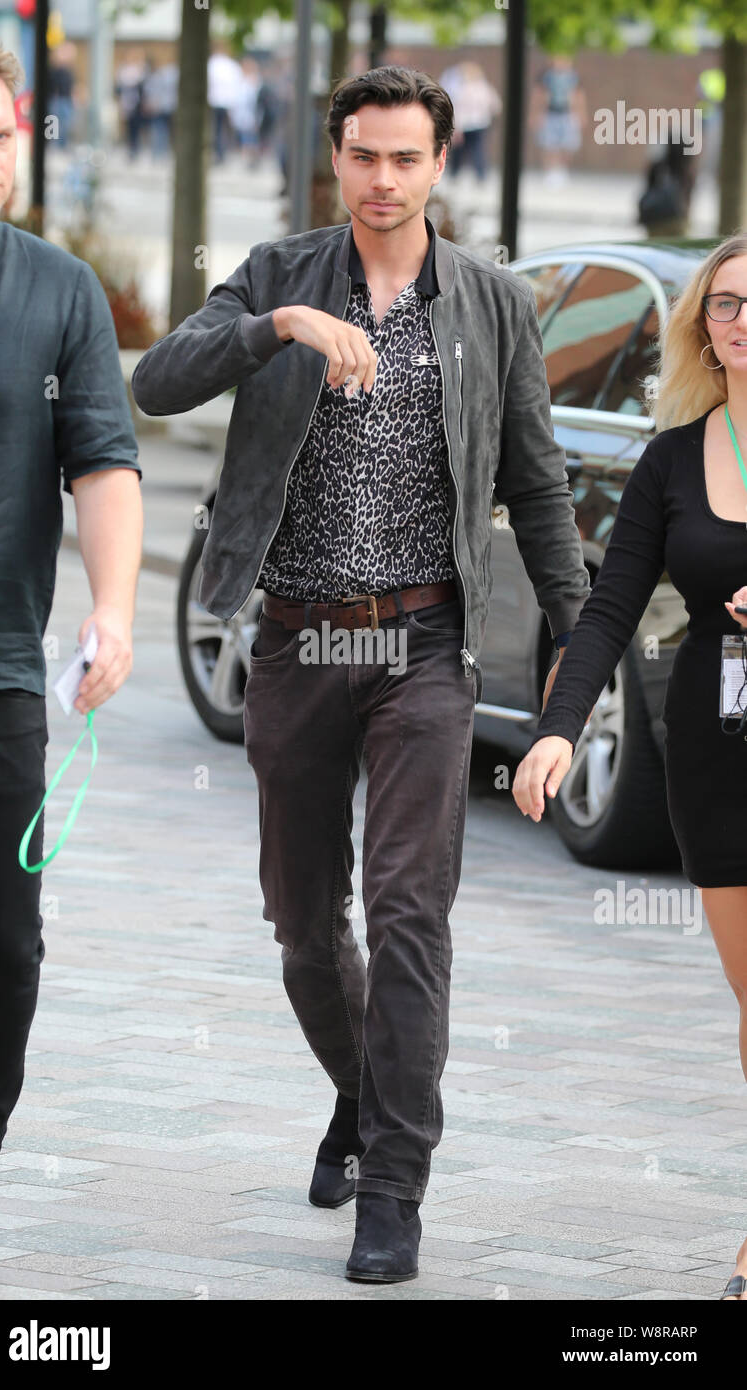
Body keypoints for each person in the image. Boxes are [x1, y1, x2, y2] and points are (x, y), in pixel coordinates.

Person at [131, 64, 590, 1284]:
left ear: (440, 164)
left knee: (407, 914)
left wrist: (575, 662)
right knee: (299, 921)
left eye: (405, 158)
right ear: (333, 159)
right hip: (296, 639)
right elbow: (153, 380)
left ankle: (393, 1185)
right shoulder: (279, 274)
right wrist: (273, 327)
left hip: (420, 648)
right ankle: (360, 1092)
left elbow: (538, 493)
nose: (382, 181)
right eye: (362, 157)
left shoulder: (491, 302)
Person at [512, 232, 747, 1302]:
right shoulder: (670, 459)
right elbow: (610, 609)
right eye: (726, 304)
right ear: (704, 323)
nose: (741, 321)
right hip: (717, 736)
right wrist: (558, 725)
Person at [0, 31, 143, 1279]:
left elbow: (104, 462)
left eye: (0, 137)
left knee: (0, 941)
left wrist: (115, 607)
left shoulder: (57, 288)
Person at [529, 53, 586, 186]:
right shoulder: (546, 77)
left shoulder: (573, 77)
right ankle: (550, 171)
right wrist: (535, 114)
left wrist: (581, 113)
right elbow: (537, 95)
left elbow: (579, 95)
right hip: (550, 113)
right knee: (549, 144)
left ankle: (562, 170)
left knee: (568, 144)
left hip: (567, 114)